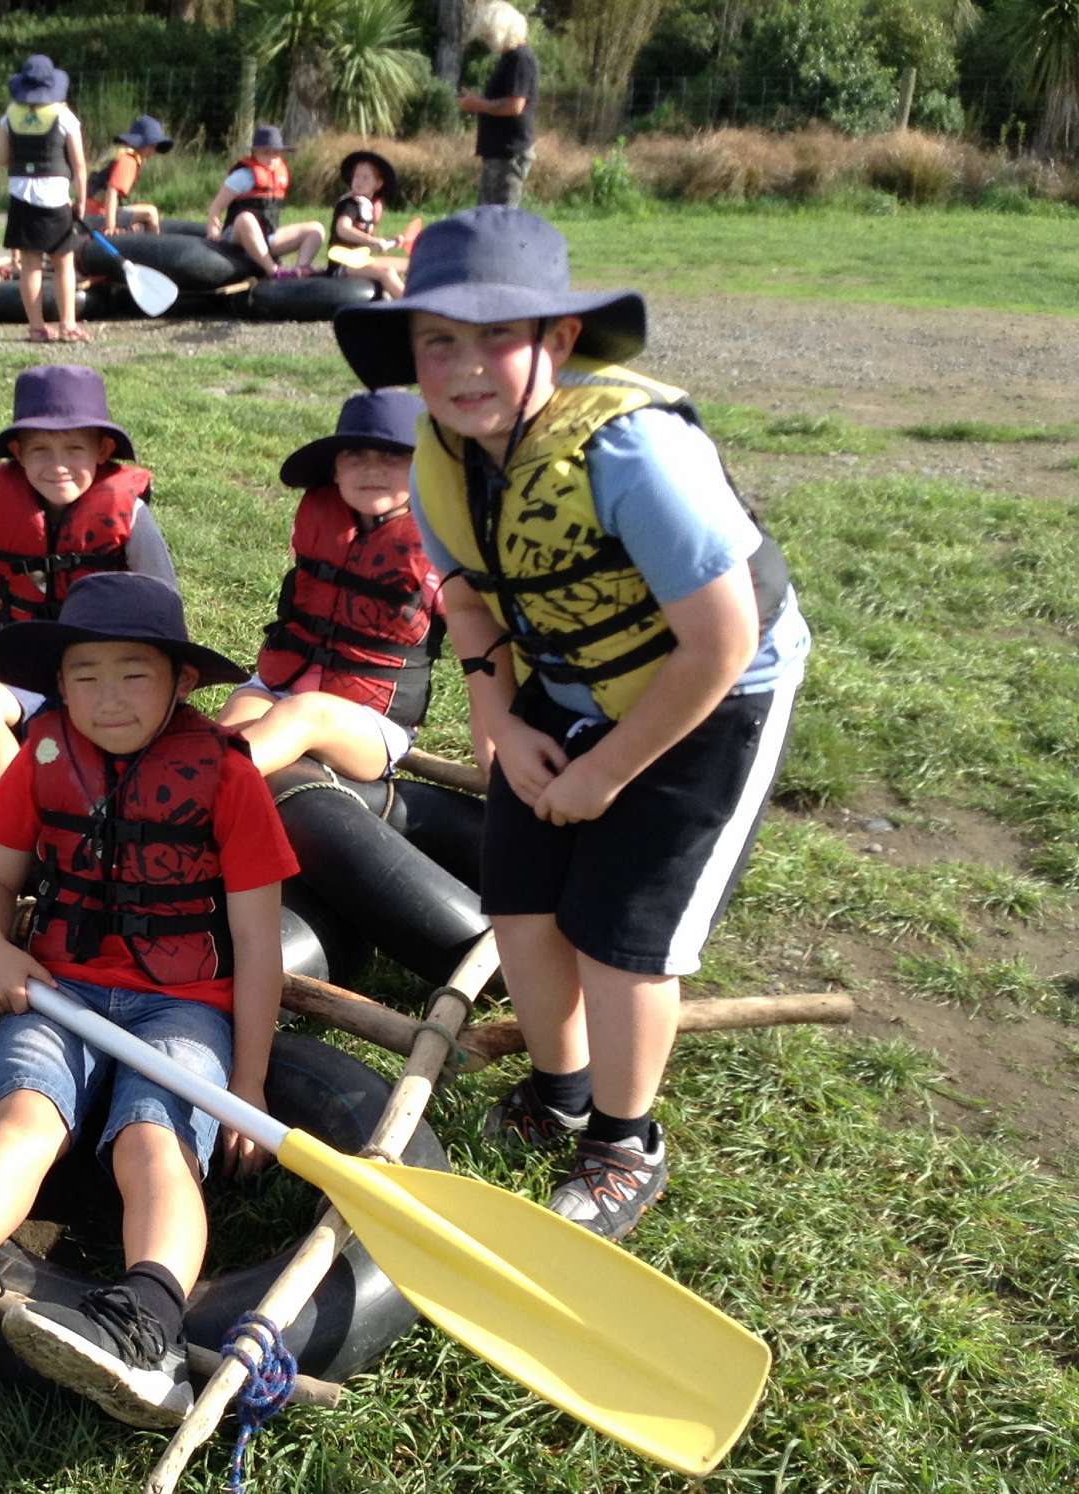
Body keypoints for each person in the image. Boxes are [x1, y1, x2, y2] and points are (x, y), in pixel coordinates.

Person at [333, 208, 810, 1242]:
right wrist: (500, 720)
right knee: (520, 906)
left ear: (556, 338)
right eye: (436, 341)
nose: (463, 367)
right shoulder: (440, 457)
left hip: (712, 687)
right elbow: (466, 602)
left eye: (494, 337)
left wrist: (607, 773)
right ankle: (559, 1089)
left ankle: (625, 1144)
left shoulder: (631, 451)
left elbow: (721, 640)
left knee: (622, 938)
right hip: (562, 676)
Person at [0, 572, 296, 1428]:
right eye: (85, 676)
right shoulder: (44, 758)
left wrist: (249, 1085)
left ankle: (147, 1327)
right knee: (21, 1118)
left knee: (153, 1141)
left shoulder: (228, 777)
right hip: (57, 987)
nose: (107, 699)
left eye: (134, 674)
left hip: (183, 1003)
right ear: (59, 687)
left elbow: (260, 946)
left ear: (183, 681)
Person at [0, 365, 179, 793]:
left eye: (74, 448)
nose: (58, 466)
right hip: (26, 675)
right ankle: (14, 815)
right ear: (17, 453)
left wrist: (167, 697)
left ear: (102, 449)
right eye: (40, 450)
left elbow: (166, 607)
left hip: (102, 677)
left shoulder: (129, 514)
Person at [217, 389, 444, 782]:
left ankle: (193, 793)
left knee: (305, 713)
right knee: (229, 731)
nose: (372, 470)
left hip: (370, 724)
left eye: (392, 456)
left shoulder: (439, 548)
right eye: (355, 456)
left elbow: (486, 643)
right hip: (278, 686)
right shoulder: (323, 517)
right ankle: (200, 787)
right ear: (335, 470)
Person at [0, 54, 89, 344]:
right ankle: (68, 325)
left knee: (30, 263)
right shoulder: (64, 116)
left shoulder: (9, 116)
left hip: (20, 195)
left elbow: (2, 158)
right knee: (63, 261)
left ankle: (37, 328)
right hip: (54, 196)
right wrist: (82, 200)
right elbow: (79, 165)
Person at [204, 124, 324, 279]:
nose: (271, 158)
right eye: (266, 152)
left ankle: (301, 269)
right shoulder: (243, 176)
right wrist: (213, 230)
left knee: (316, 229)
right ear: (255, 153)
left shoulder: (280, 176)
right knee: (246, 218)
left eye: (276, 153)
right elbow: (216, 206)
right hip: (236, 236)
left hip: (267, 236)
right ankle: (273, 270)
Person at [459, 1, 538, 207]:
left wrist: (478, 104)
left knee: (501, 216)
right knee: (487, 213)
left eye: (488, 35)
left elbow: (515, 105)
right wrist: (478, 100)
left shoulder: (521, 59)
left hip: (510, 153)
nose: (486, 40)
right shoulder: (508, 58)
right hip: (498, 151)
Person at [324, 149, 421, 300]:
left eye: (365, 178)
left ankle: (425, 296)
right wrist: (372, 240)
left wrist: (391, 241)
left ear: (378, 184)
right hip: (342, 265)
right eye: (356, 176)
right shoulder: (349, 204)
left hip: (360, 260)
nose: (359, 181)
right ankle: (411, 305)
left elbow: (363, 244)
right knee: (387, 272)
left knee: (410, 264)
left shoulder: (368, 208)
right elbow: (343, 229)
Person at [83, 114, 173, 235]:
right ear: (142, 143)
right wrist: (110, 226)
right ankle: (156, 245)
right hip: (98, 214)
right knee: (151, 212)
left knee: (139, 217)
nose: (154, 151)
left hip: (90, 210)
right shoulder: (128, 161)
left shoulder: (119, 152)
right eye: (152, 145)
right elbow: (112, 191)